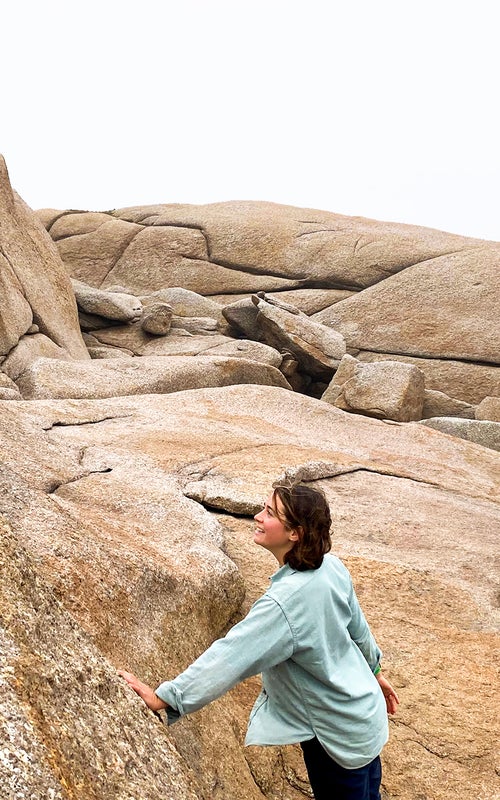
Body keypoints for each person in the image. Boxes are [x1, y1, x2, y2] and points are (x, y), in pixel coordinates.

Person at [119, 483, 399, 800]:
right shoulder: (331, 567)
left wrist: (165, 698)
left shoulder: (283, 604)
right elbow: (358, 628)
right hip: (365, 718)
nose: (256, 516)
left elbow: (230, 658)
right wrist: (375, 672)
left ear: (295, 533)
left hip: (337, 739)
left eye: (269, 513)